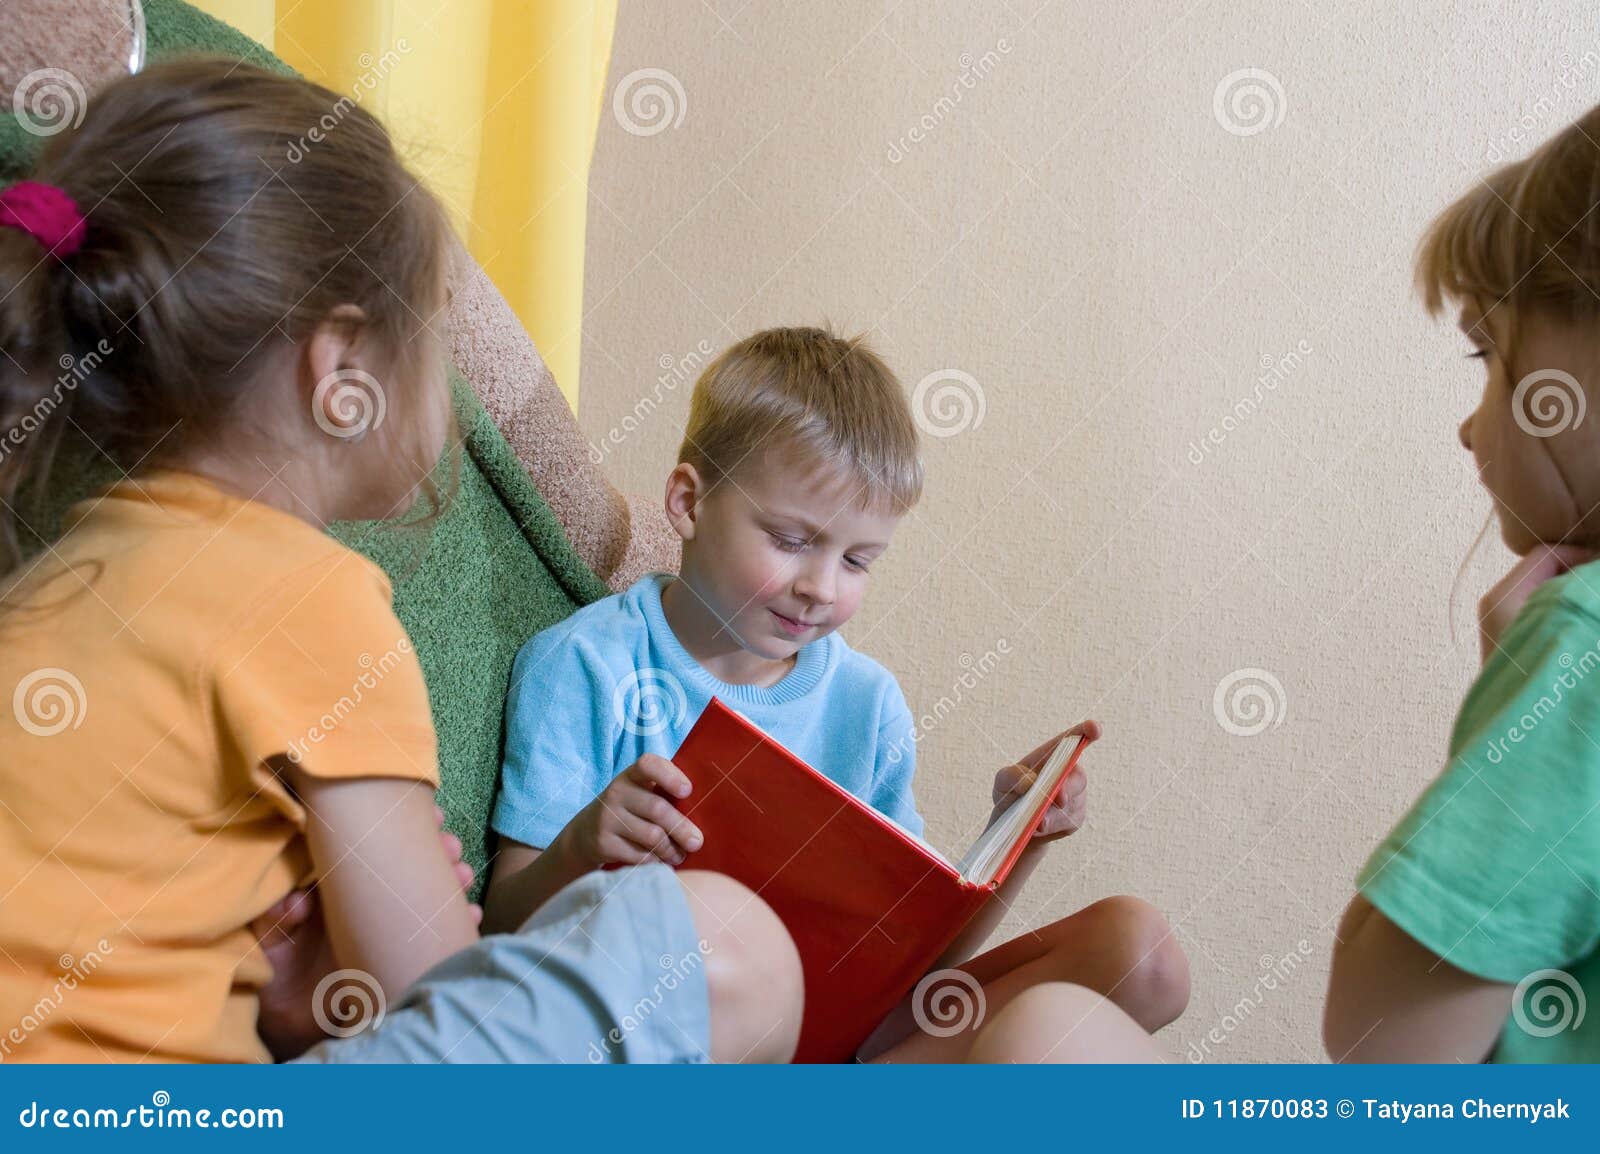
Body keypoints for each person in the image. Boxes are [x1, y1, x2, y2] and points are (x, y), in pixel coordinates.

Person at [0, 58, 798, 1065]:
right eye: (428, 334)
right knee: (728, 945)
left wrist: (305, 998)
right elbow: (432, 985)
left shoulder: (54, 581)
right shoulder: (307, 594)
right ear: (340, 374)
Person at [486, 327, 1189, 1061]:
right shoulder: (586, 666)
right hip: (686, 1033)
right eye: (791, 541)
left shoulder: (866, 702)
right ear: (690, 502)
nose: (820, 589)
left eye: (858, 560)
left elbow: (914, 971)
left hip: (841, 1046)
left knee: (1141, 953)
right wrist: (578, 847)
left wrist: (1015, 839)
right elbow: (499, 930)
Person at [1325, 102, 1600, 1063]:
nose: (1468, 427)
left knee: (1041, 1044)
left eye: (1487, 352)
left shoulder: (1585, 642)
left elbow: (1382, 1049)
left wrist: (1510, 725)